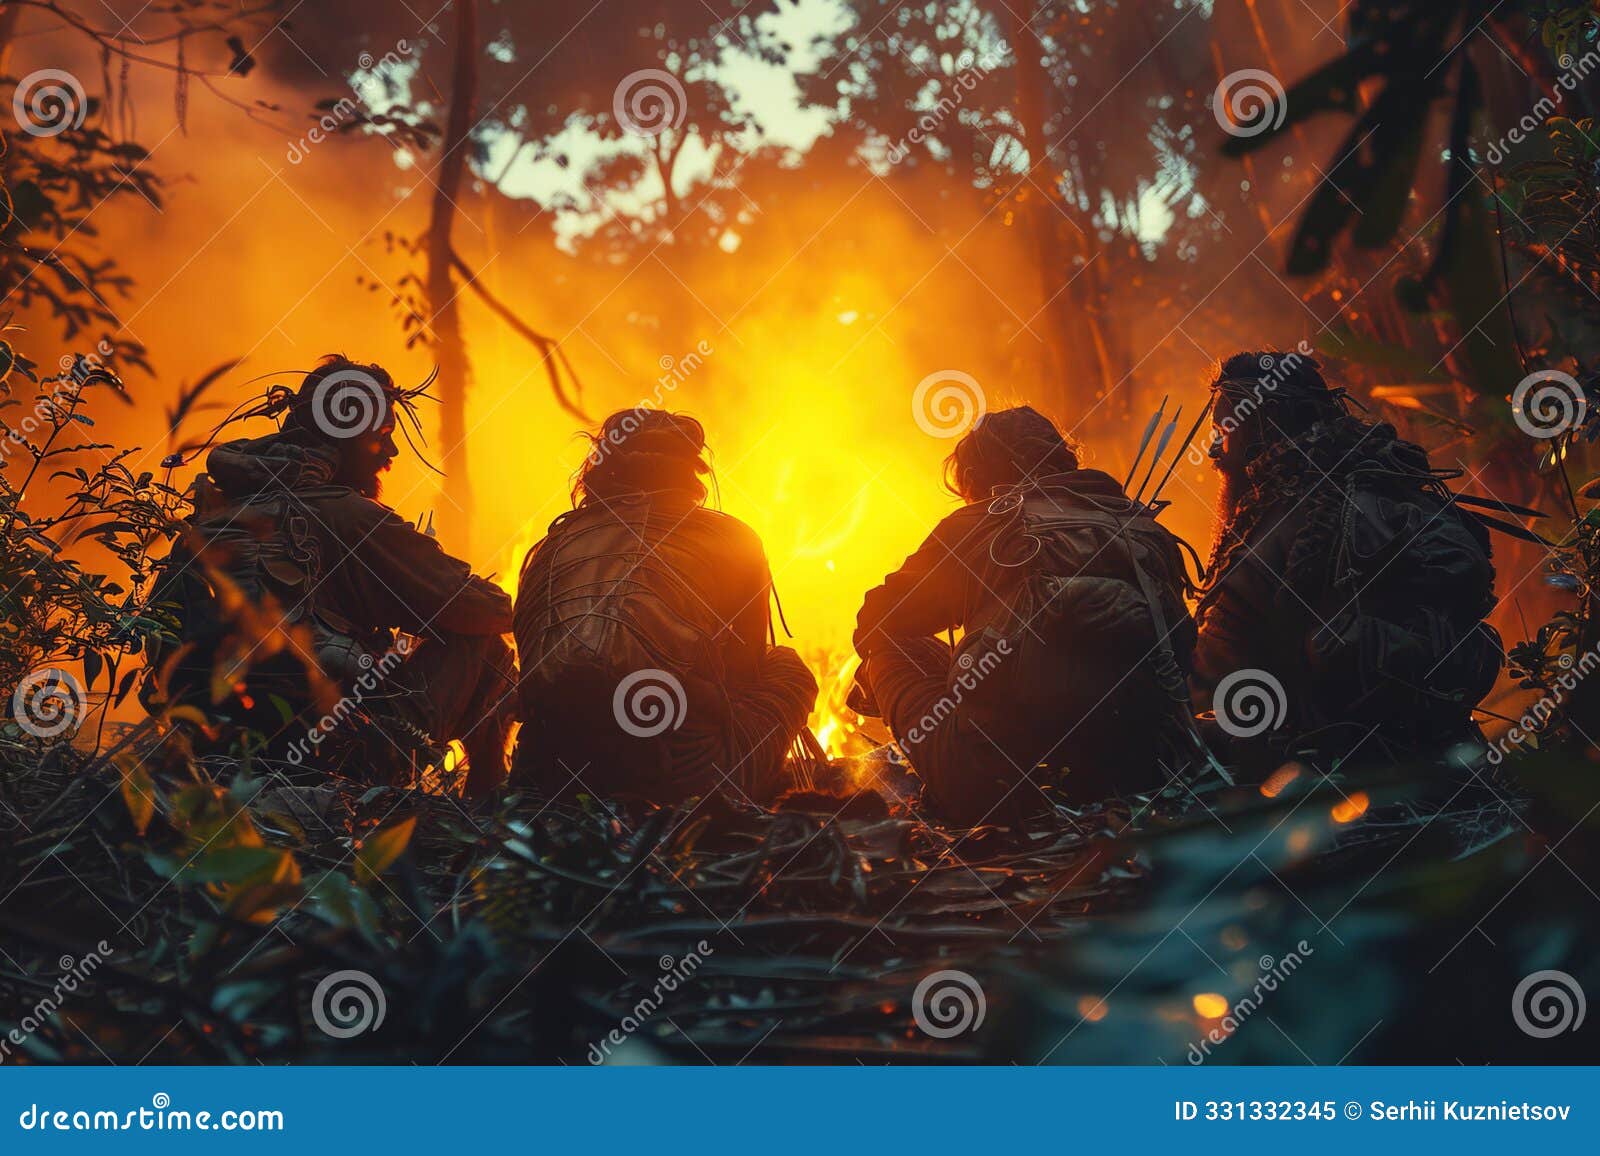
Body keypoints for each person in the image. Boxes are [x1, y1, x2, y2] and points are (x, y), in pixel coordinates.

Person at [150, 355, 516, 797]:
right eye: (382, 437)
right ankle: (493, 817)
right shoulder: (346, 515)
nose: (393, 451)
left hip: (209, 756)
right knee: (483, 644)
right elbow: (483, 608)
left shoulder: (214, 516)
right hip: (330, 759)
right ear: (349, 438)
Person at [851, 405, 1201, 826]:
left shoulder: (982, 525)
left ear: (977, 477)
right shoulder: (1141, 527)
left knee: (893, 647)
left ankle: (961, 771)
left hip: (999, 789)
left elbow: (877, 619)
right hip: (1145, 769)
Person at [1193, 350, 1501, 775]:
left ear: (1260, 427)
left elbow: (1214, 669)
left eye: (1222, 430)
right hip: (1438, 757)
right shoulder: (1390, 488)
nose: (1213, 451)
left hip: (1315, 773)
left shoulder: (1277, 520)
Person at [511, 409, 817, 806]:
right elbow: (746, 674)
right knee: (788, 670)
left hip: (547, 777)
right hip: (681, 779)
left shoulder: (552, 546)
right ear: (691, 473)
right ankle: (739, 792)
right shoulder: (730, 539)